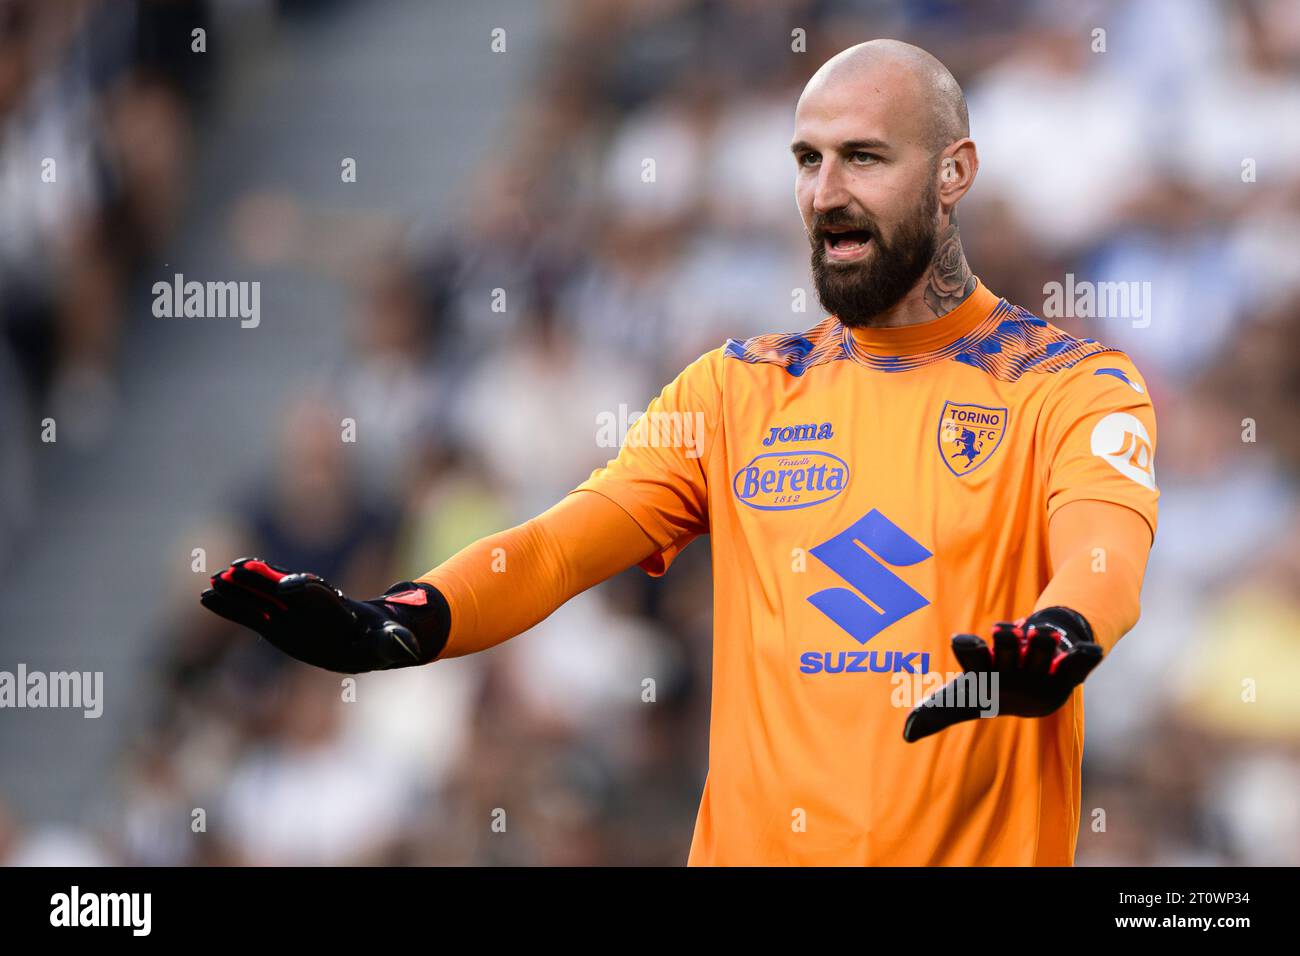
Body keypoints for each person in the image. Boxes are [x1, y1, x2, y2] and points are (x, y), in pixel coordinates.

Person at [201, 39, 1157, 866]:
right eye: (807, 160)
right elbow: (553, 548)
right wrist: (404, 623)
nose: (826, 194)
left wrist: (1061, 635)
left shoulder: (1069, 384)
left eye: (864, 158)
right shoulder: (735, 390)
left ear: (955, 171)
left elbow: (1103, 552)